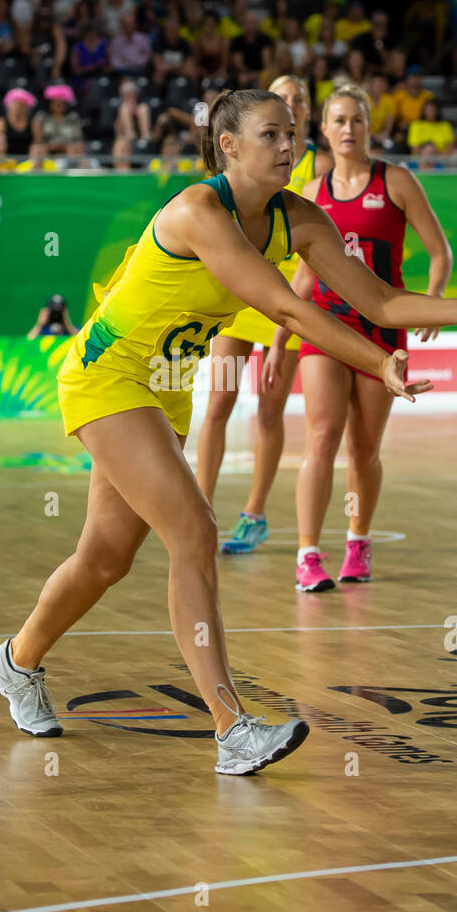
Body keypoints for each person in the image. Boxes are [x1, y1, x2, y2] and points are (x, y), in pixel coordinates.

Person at [0, 87, 457, 773]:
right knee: (195, 530)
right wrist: (382, 361)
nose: (290, 147)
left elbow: (377, 298)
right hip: (107, 375)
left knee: (106, 558)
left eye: (293, 133)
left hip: (163, 392)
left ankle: (16, 659)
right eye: (272, 134)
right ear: (228, 146)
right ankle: (232, 727)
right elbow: (286, 310)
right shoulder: (201, 212)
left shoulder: (298, 216)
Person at [267, 84, 454, 593]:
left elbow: (440, 252)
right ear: (323, 130)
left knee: (365, 446)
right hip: (325, 327)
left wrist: (433, 303)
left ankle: (358, 541)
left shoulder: (396, 181)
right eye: (339, 121)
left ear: (369, 127)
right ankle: (308, 555)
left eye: (357, 120)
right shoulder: (309, 195)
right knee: (322, 437)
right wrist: (280, 343)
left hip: (382, 332)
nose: (348, 129)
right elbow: (304, 280)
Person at [195, 74, 333, 555]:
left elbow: (316, 254)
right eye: (283, 97)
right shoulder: (246, 161)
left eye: (298, 101)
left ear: (307, 114)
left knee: (269, 412)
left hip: (285, 303)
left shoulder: (316, 168)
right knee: (218, 403)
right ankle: (202, 510)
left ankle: (254, 514)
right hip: (240, 302)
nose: (290, 104)